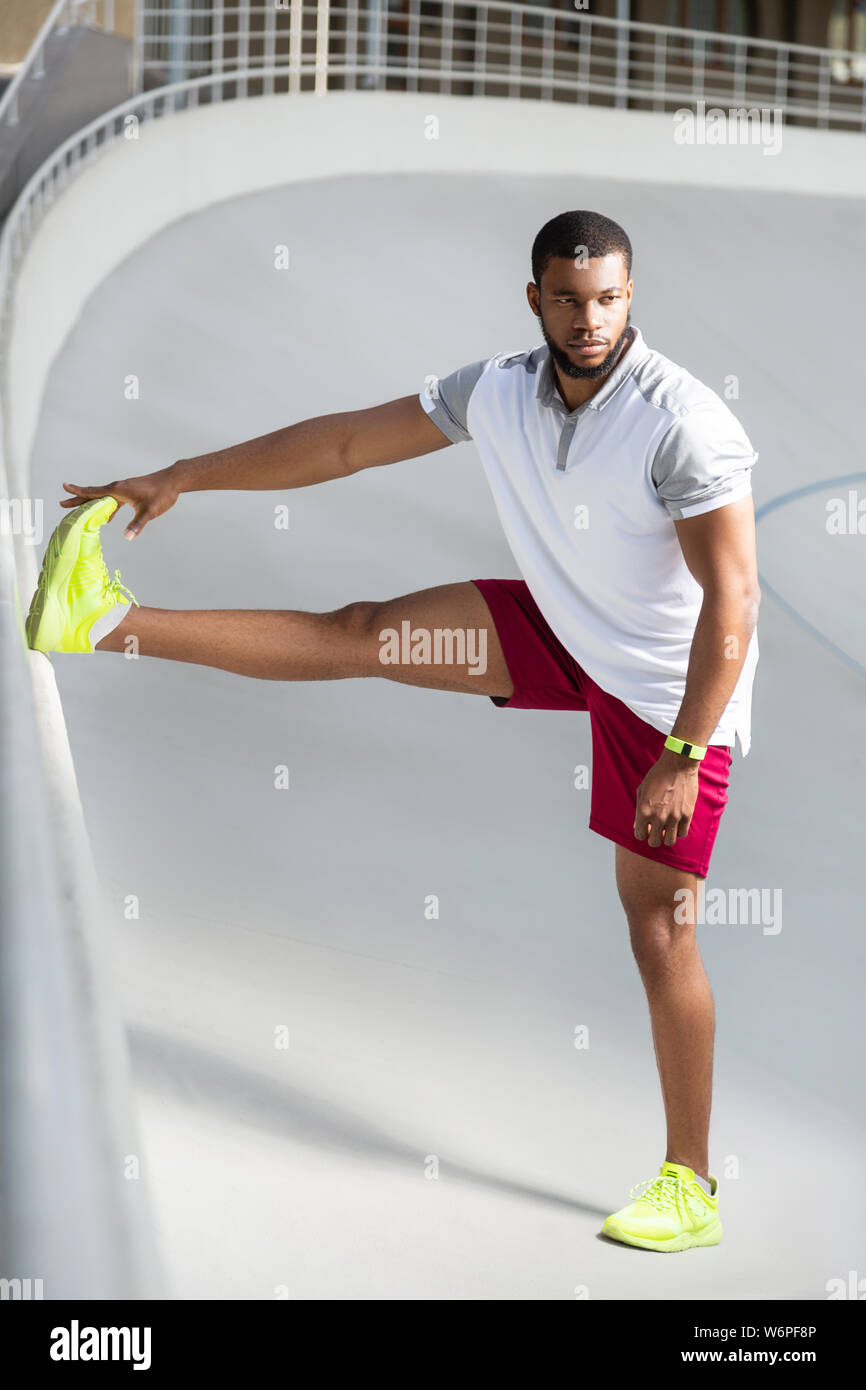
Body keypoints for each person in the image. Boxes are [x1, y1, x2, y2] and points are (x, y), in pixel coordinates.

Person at [27, 209, 760, 1253]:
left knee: (660, 927)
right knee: (363, 631)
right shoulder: (496, 390)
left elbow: (731, 606)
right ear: (533, 298)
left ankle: (689, 1185)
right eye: (567, 298)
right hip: (559, 630)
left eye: (607, 299)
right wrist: (180, 473)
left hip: (663, 693)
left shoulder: (682, 421)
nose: (588, 319)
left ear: (630, 295)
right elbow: (339, 444)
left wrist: (683, 753)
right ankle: (100, 621)